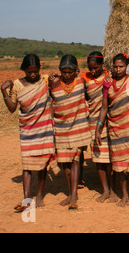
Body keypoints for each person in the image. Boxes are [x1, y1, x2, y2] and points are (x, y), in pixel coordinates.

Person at [0, 54, 56, 212]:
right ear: (24, 70)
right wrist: (3, 90)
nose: (33, 74)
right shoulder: (17, 85)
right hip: (27, 130)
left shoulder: (45, 80)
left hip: (44, 129)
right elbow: (12, 108)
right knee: (27, 165)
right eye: (29, 72)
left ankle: (39, 194)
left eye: (35, 71)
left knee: (43, 163)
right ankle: (26, 198)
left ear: (39, 69)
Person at [95, 53, 129, 207]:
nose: (118, 69)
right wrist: (99, 127)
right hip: (115, 128)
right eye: (115, 66)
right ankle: (124, 194)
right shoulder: (108, 85)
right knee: (119, 165)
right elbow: (104, 107)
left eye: (121, 66)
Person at [49, 54, 92, 210]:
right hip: (61, 129)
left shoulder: (81, 82)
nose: (67, 75)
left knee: (75, 161)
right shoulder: (53, 83)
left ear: (76, 71)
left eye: (70, 72)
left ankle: (73, 195)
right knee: (64, 163)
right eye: (64, 72)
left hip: (78, 127)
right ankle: (70, 191)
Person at [81, 52, 117, 203]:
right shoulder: (84, 78)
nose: (93, 71)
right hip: (92, 121)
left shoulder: (111, 76)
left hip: (110, 121)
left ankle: (113, 188)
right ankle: (105, 190)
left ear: (102, 65)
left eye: (96, 68)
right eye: (91, 68)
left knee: (110, 159)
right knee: (98, 158)